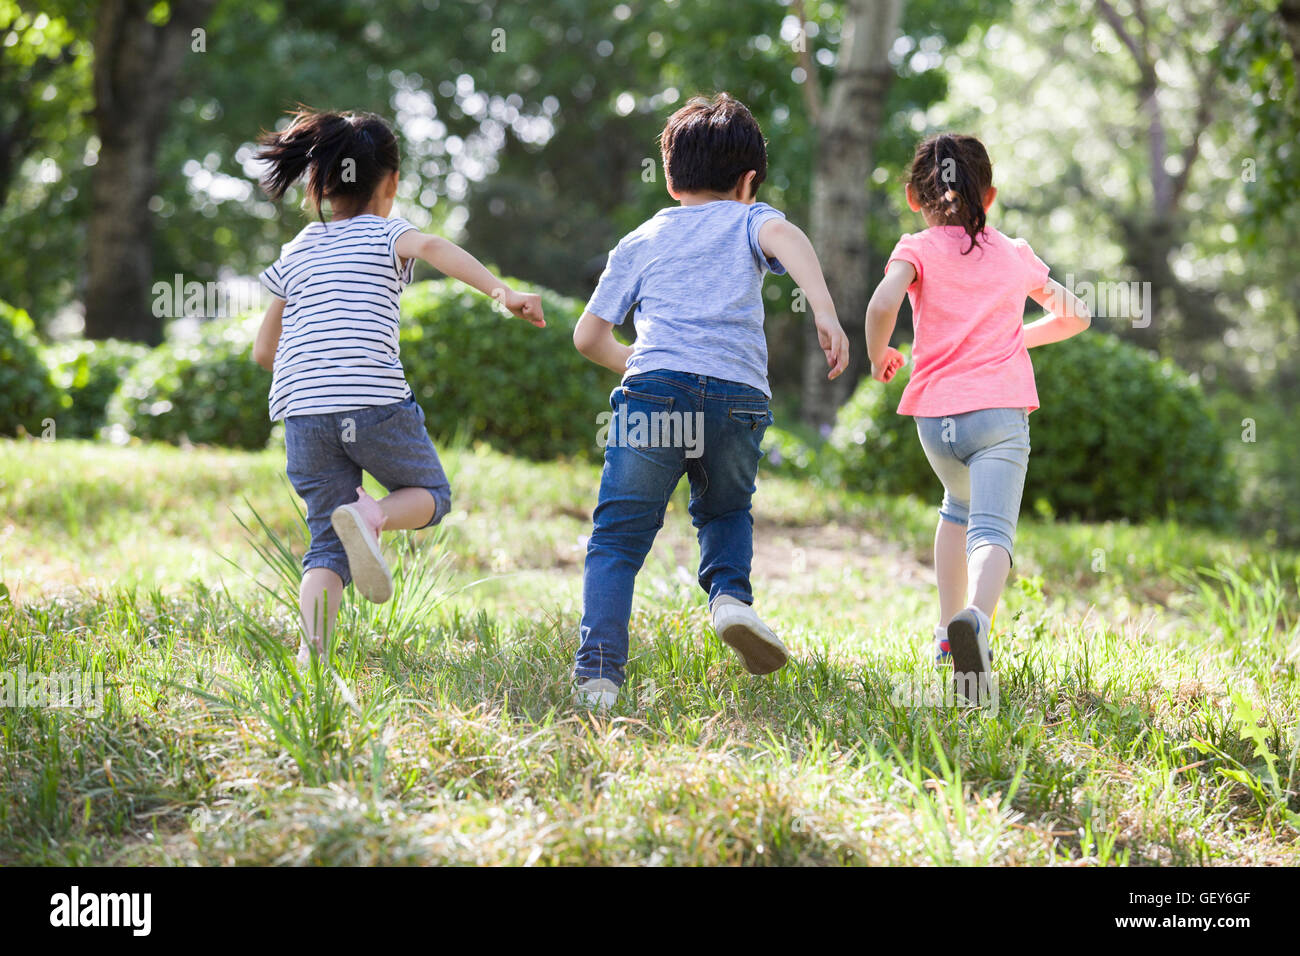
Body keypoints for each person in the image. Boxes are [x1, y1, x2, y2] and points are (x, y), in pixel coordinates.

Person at [570, 93, 851, 709]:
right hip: (737, 399)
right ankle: (730, 601)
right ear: (749, 181)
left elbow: (588, 337)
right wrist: (824, 312)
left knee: (617, 539)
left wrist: (647, 363)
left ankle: (598, 675)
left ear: (670, 178)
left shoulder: (640, 239)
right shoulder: (751, 220)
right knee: (725, 512)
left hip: (654, 396)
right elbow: (787, 235)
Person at [251, 108, 544, 665]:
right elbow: (433, 248)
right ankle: (375, 515)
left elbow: (265, 352)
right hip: (373, 401)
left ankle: (312, 657)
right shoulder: (388, 231)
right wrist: (501, 293)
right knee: (432, 497)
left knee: (324, 544)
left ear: (322, 183)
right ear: (391, 183)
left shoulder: (299, 249)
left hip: (303, 412)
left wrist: (315, 372)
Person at [865, 132, 1090, 702]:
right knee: (992, 530)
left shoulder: (914, 249)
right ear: (988, 197)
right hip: (997, 415)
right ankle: (977, 624)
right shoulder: (1014, 254)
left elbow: (881, 303)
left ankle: (946, 634)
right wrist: (1014, 339)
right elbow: (1076, 315)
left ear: (915, 198)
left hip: (934, 418)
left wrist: (879, 354)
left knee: (955, 508)